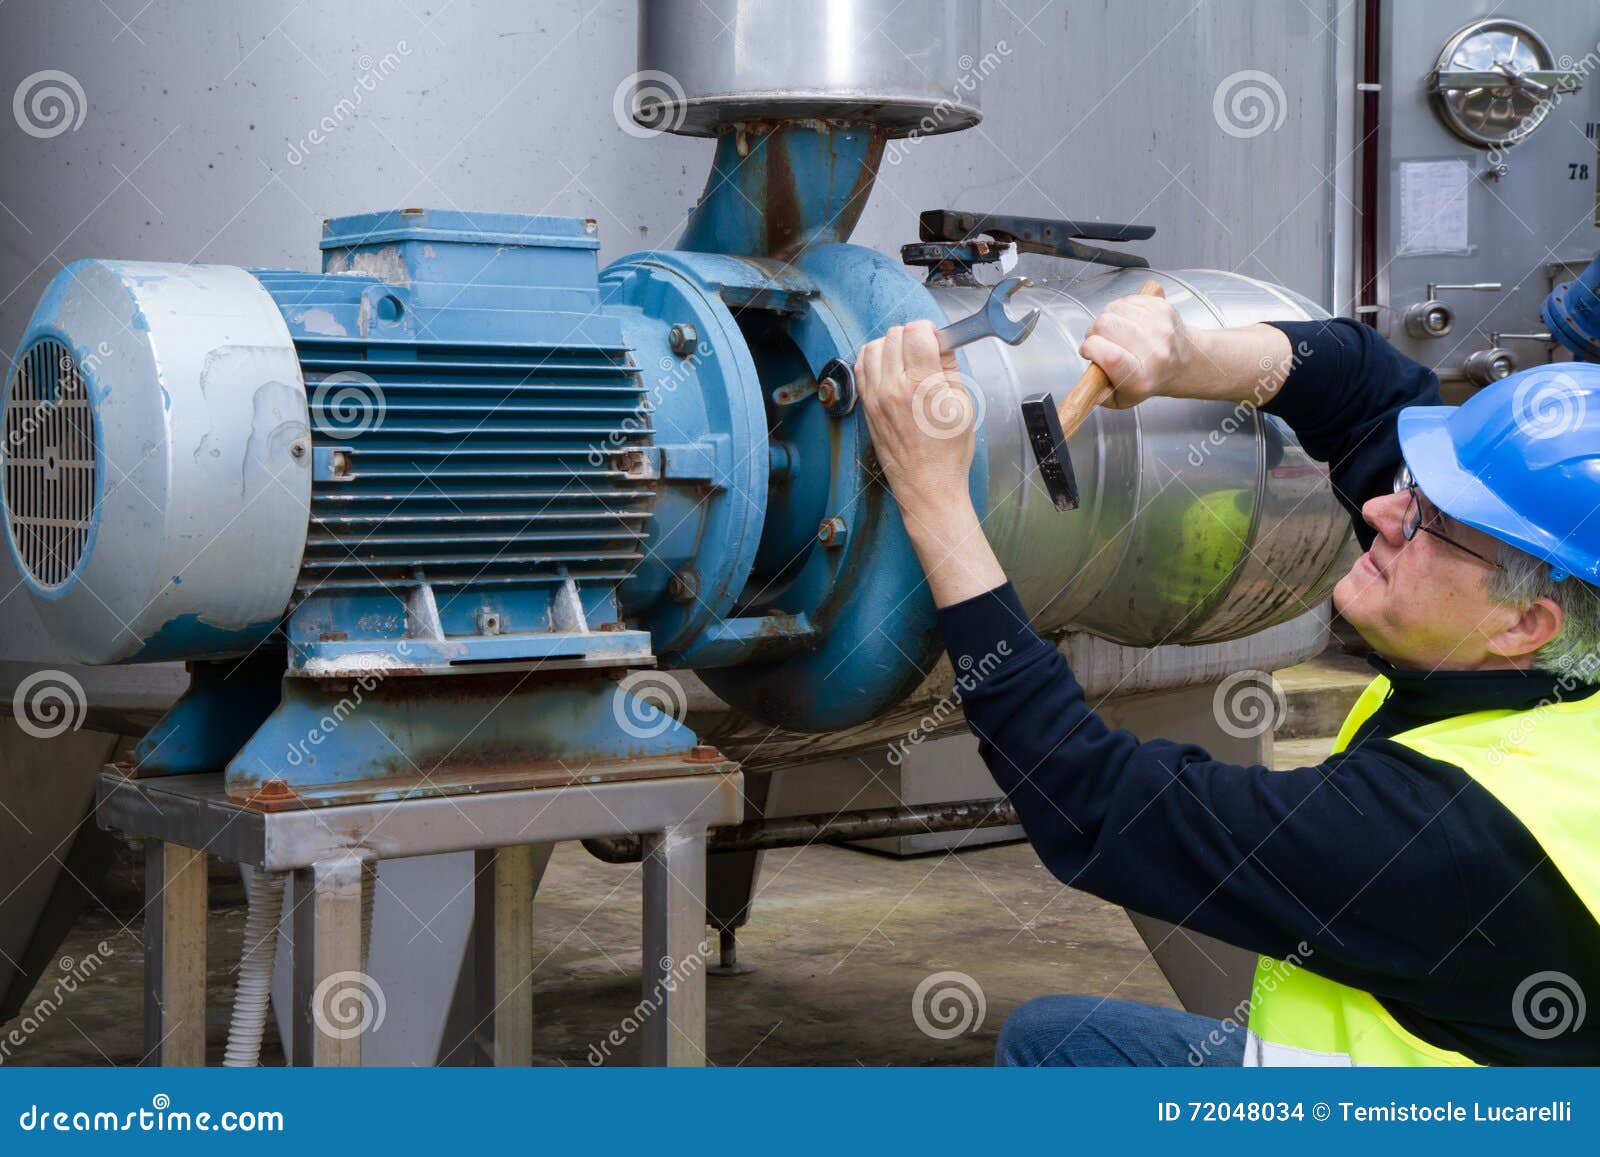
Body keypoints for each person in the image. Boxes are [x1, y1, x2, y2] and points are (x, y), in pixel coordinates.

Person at [853, 297, 1600, 1066]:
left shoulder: (1443, 837)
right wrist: (1184, 358)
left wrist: (935, 497)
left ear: (1524, 625)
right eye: (1414, 483)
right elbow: (1371, 386)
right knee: (1053, 1039)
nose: (1381, 506)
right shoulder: (1552, 653)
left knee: (1058, 1058)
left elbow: (1091, 799)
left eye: (1424, 523)